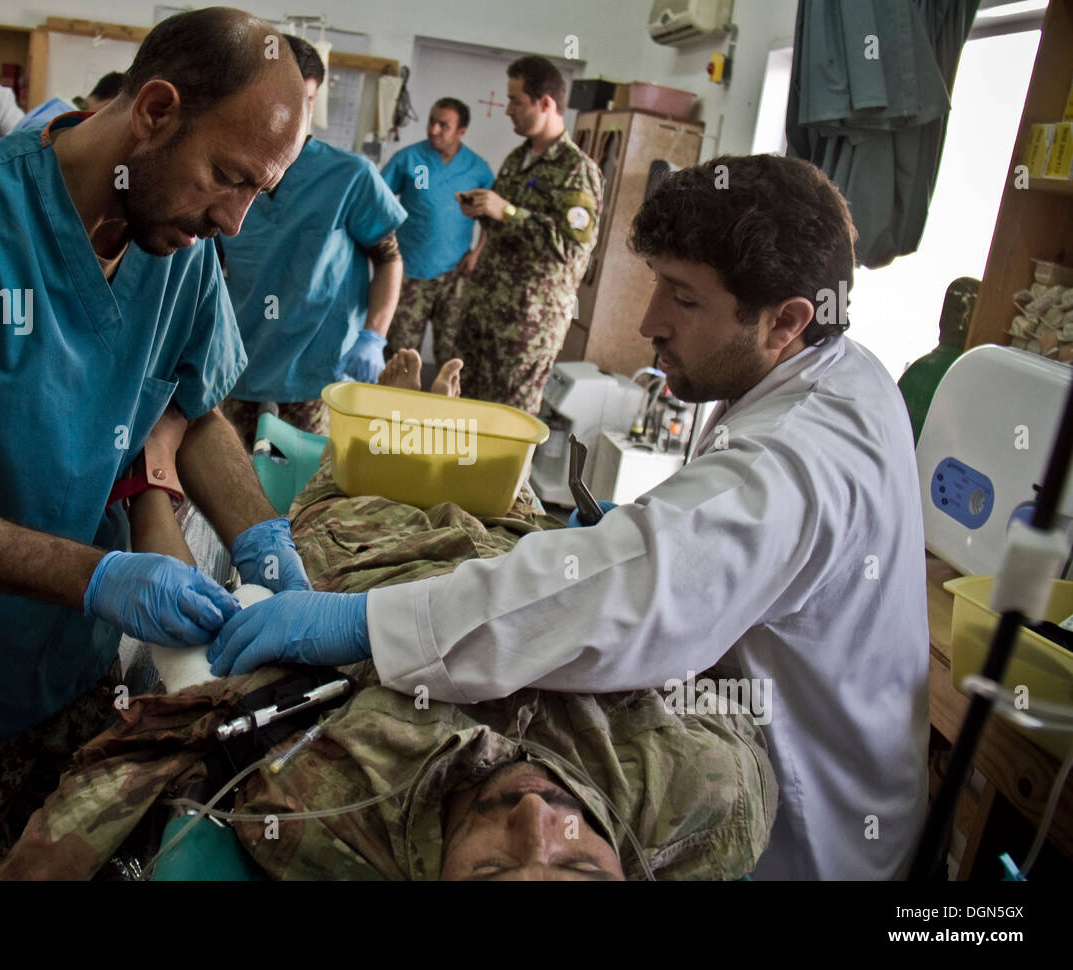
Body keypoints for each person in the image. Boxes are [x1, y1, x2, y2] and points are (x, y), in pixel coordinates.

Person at [210, 154, 931, 881]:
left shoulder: (792, 459)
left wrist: (366, 624)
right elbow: (676, 562)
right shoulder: (836, 371)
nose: (649, 320)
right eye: (658, 285)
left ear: (787, 321)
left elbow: (618, 597)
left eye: (682, 298)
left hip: (810, 836)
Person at [0, 7, 314, 880]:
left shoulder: (175, 244)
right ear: (154, 111)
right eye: (228, 178)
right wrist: (96, 575)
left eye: (256, 194)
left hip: (76, 680)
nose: (234, 220)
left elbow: (195, 414)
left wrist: (266, 547)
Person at [0, 350, 778, 882]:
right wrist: (621, 554)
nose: (541, 819)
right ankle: (436, 408)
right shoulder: (708, 799)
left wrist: (150, 493)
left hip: (361, 558)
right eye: (578, 867)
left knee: (356, 475)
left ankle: (390, 405)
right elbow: (697, 616)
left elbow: (168, 720)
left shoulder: (326, 801)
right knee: (496, 480)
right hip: (525, 554)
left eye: (494, 869)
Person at [218, 33, 406, 445]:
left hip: (315, 368)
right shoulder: (229, 167)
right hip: (238, 360)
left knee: (306, 492)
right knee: (231, 483)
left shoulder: (349, 176)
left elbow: (390, 259)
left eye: (303, 101)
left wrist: (374, 337)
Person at [452, 55, 602, 415]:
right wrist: (482, 211)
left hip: (524, 330)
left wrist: (506, 211)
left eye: (516, 100)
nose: (507, 110)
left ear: (546, 103)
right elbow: (508, 229)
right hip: (483, 317)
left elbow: (569, 248)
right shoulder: (516, 159)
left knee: (506, 430)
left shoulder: (577, 171)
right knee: (465, 422)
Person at [379, 98, 492, 363]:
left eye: (444, 125)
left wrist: (478, 253)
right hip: (410, 272)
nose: (434, 129)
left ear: (461, 131)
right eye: (432, 121)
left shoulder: (478, 169)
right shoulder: (409, 158)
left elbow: (492, 219)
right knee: (400, 354)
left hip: (455, 275)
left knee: (453, 356)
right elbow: (377, 201)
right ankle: (396, 406)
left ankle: (447, 404)